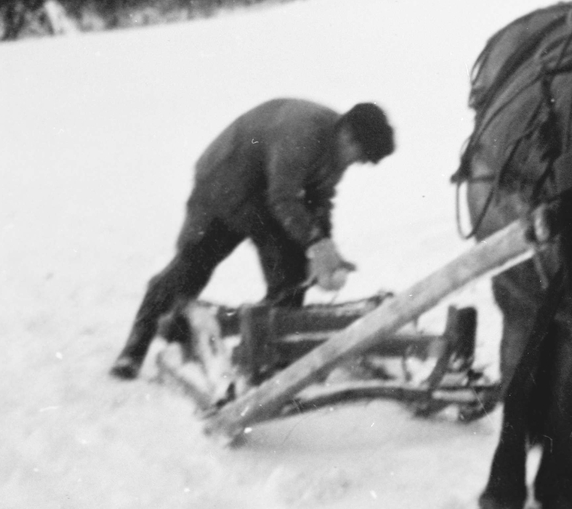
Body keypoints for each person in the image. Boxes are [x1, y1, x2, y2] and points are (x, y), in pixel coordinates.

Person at [110, 98, 395, 380]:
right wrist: (316, 244)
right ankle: (135, 348)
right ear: (347, 134)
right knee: (195, 264)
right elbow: (283, 196)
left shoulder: (335, 148)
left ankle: (271, 353)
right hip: (223, 181)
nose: (356, 163)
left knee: (291, 271)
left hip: (261, 191)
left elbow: (320, 198)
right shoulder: (303, 131)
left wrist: (326, 247)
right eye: (359, 156)